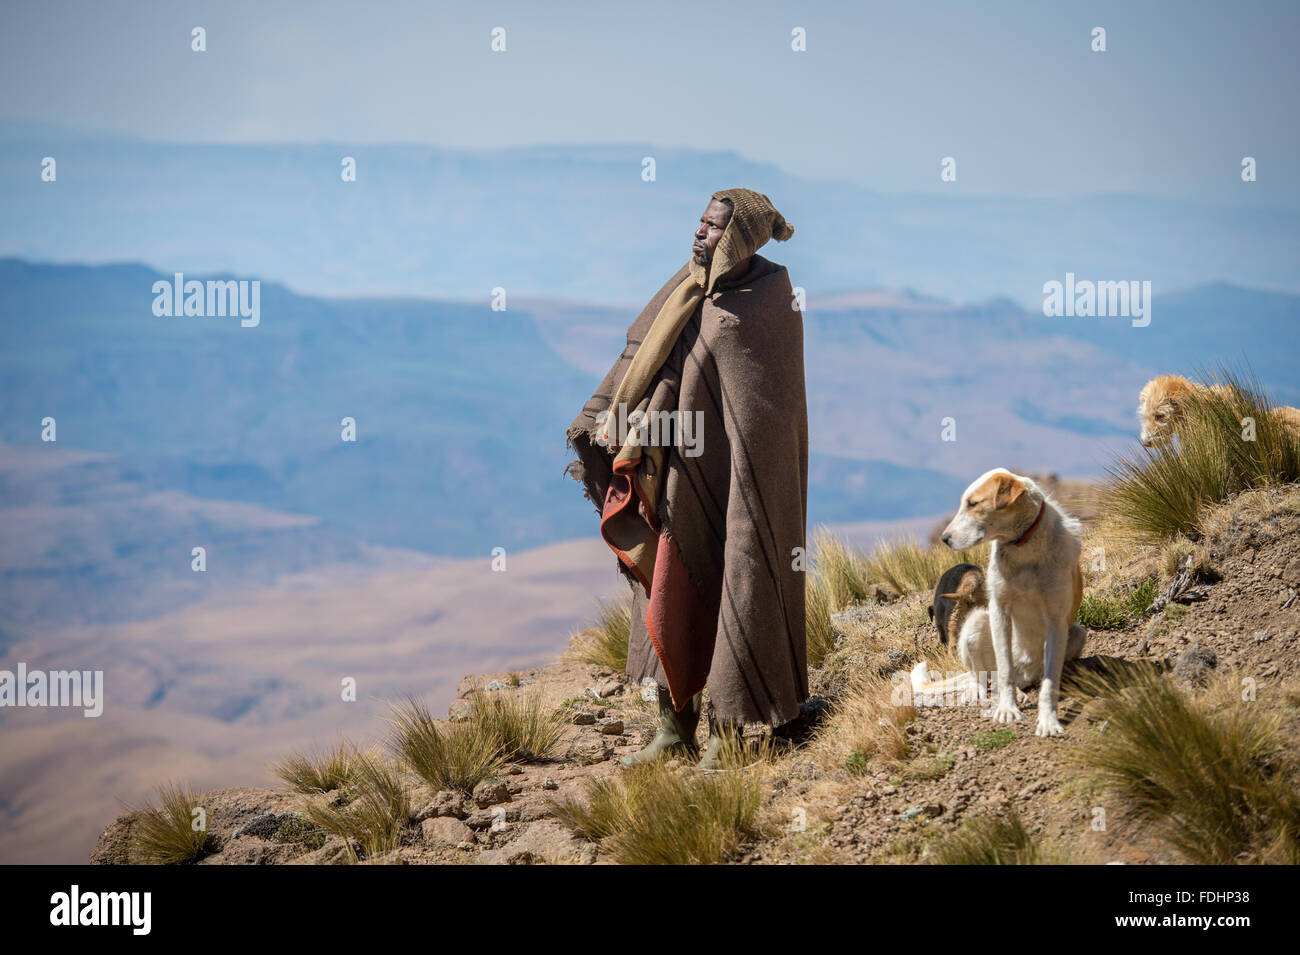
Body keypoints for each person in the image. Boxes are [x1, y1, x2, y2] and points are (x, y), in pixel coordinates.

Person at [564, 188, 809, 770]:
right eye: (700, 223)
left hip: (745, 478)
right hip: (675, 464)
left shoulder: (767, 298)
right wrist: (619, 421)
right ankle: (675, 725)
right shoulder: (686, 287)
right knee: (668, 579)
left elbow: (766, 412)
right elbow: (650, 362)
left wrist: (749, 475)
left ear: (743, 237)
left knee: (742, 578)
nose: (701, 234)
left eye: (716, 228)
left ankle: (729, 730)